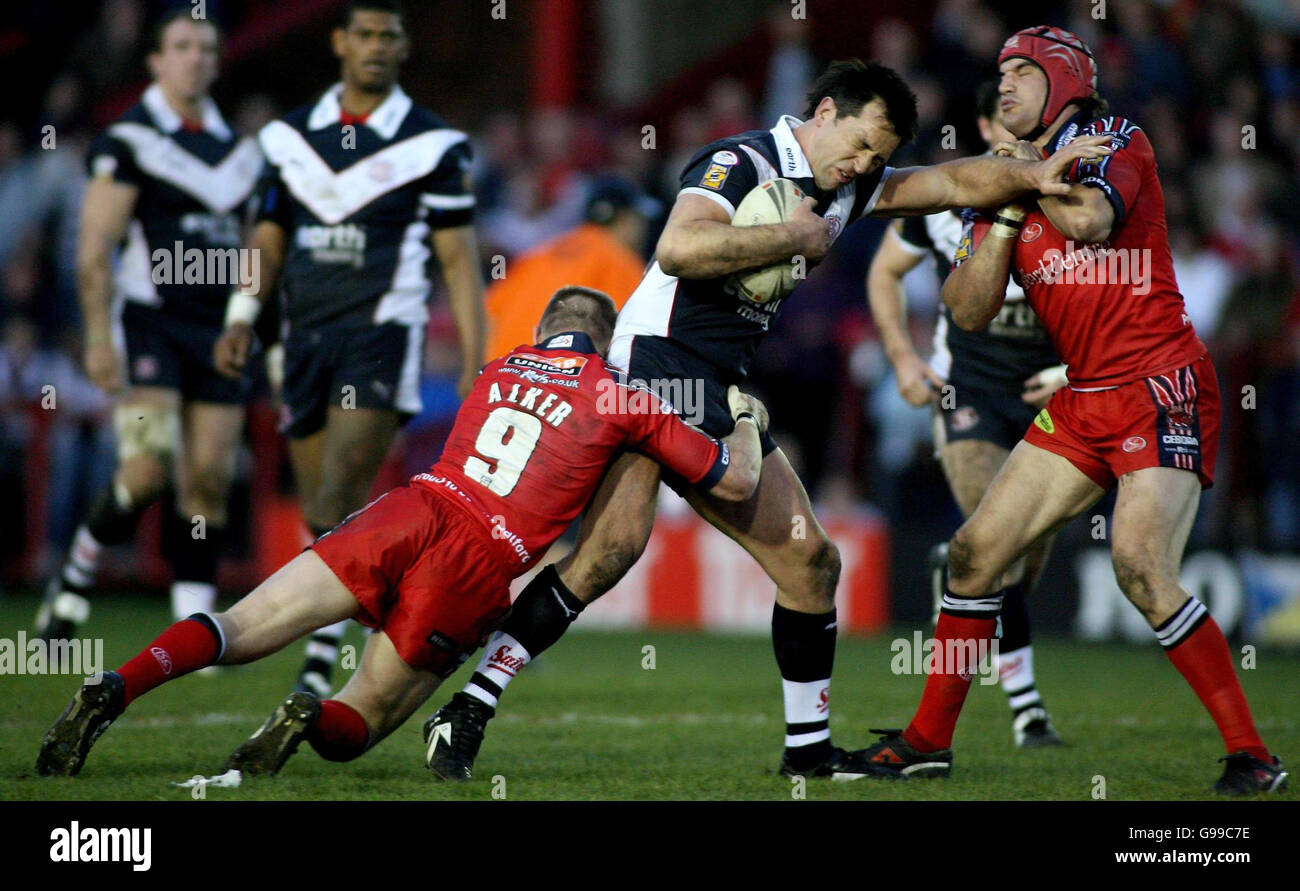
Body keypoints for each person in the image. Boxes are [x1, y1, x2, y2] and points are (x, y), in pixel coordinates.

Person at [421, 58, 1112, 782]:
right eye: (861, 143)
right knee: (623, 550)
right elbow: (678, 248)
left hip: (717, 380)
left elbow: (951, 181)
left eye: (879, 156)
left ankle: (805, 754)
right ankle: (468, 705)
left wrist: (1035, 174)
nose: (864, 165)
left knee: (800, 563)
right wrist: (795, 238)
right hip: (655, 362)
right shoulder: (742, 160)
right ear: (823, 114)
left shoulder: (849, 185)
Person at [36, 287, 768, 779]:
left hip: (409, 507)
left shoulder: (495, 369)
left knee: (242, 622)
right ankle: (307, 712)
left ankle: (116, 683)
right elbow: (733, 482)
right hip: (478, 561)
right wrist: (744, 419)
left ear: (543, 331)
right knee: (365, 716)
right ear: (604, 346)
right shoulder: (620, 395)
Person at [858, 26, 1287, 795]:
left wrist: (1018, 184)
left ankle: (1252, 752)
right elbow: (967, 307)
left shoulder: (1116, 138)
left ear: (1062, 80)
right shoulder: (1009, 179)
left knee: (1140, 569)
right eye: (1002, 73)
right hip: (1084, 395)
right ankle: (926, 740)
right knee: (973, 554)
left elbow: (1091, 220)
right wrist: (1009, 206)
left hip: (1161, 382)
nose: (1007, 86)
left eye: (1022, 71)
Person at [212, 0, 486, 699]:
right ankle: (396, 615)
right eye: (362, 33)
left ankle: (315, 665)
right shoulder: (288, 140)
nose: (374, 45)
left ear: (404, 46)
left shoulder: (430, 145)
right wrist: (241, 315)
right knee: (321, 513)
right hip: (301, 342)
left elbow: (458, 261)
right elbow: (266, 238)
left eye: (388, 35)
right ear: (339, 42)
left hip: (381, 338)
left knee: (340, 487)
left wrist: (478, 362)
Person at [34, 10, 262, 642]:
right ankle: (77, 568)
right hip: (149, 325)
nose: (195, 57)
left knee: (209, 479)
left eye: (206, 48)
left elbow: (251, 250)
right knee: (146, 468)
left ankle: (191, 630)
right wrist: (100, 337)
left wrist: (247, 320)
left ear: (217, 61)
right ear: (156, 60)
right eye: (182, 46)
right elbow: (93, 245)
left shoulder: (242, 154)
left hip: (216, 330)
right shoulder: (128, 140)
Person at [866, 80, 1068, 748]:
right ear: (985, 128)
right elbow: (883, 274)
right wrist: (901, 357)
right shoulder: (946, 203)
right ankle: (1029, 709)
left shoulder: (1071, 201)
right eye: (1006, 125)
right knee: (1000, 546)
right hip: (967, 393)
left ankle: (951, 561)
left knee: (1027, 559)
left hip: (1050, 400)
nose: (1021, 140)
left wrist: (1075, 370)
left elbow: (1126, 298)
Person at [484, 176, 651, 362]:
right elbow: (634, 337)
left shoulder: (536, 255)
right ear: (624, 219)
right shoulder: (620, 261)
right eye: (639, 219)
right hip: (559, 382)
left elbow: (488, 317)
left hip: (501, 378)